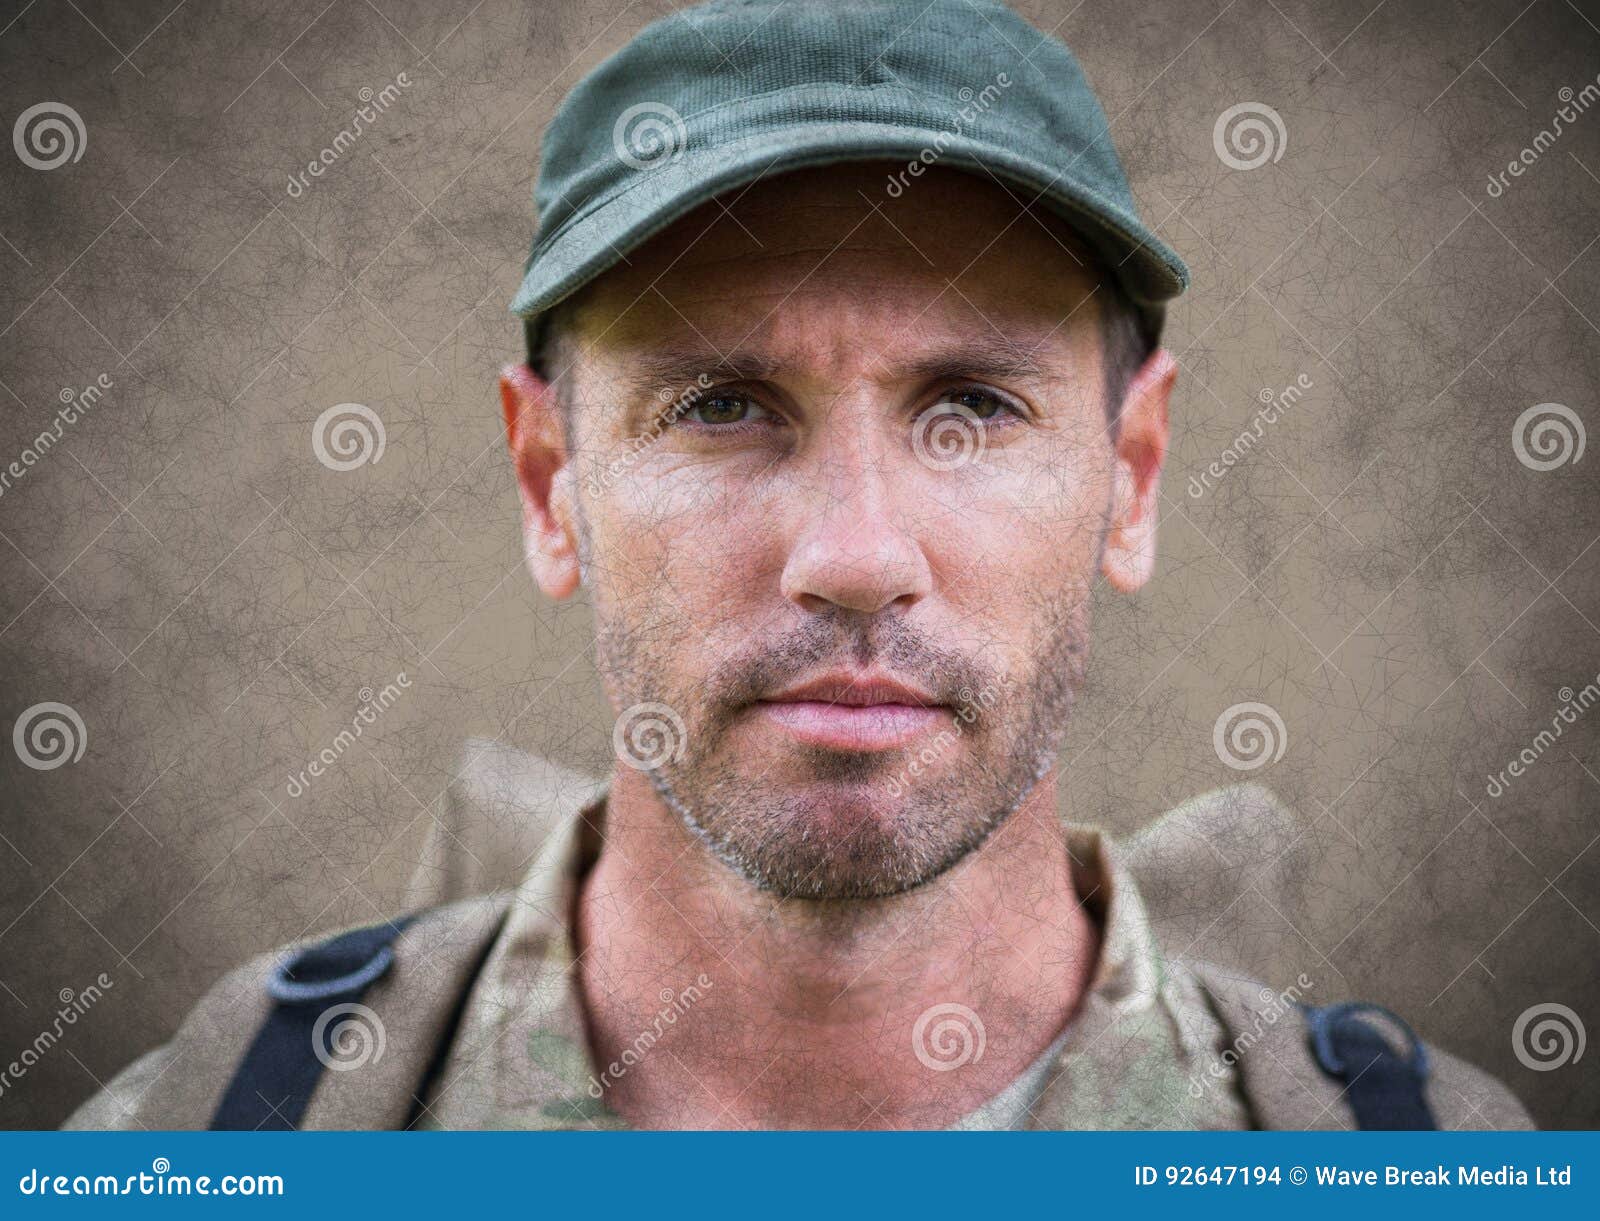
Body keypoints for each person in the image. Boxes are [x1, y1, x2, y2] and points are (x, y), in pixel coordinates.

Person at [66, 0, 1530, 1131]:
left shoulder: (1416, 1160)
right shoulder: (221, 1128)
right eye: (720, 406)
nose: (856, 556)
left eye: (973, 407)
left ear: (1131, 477)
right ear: (550, 483)